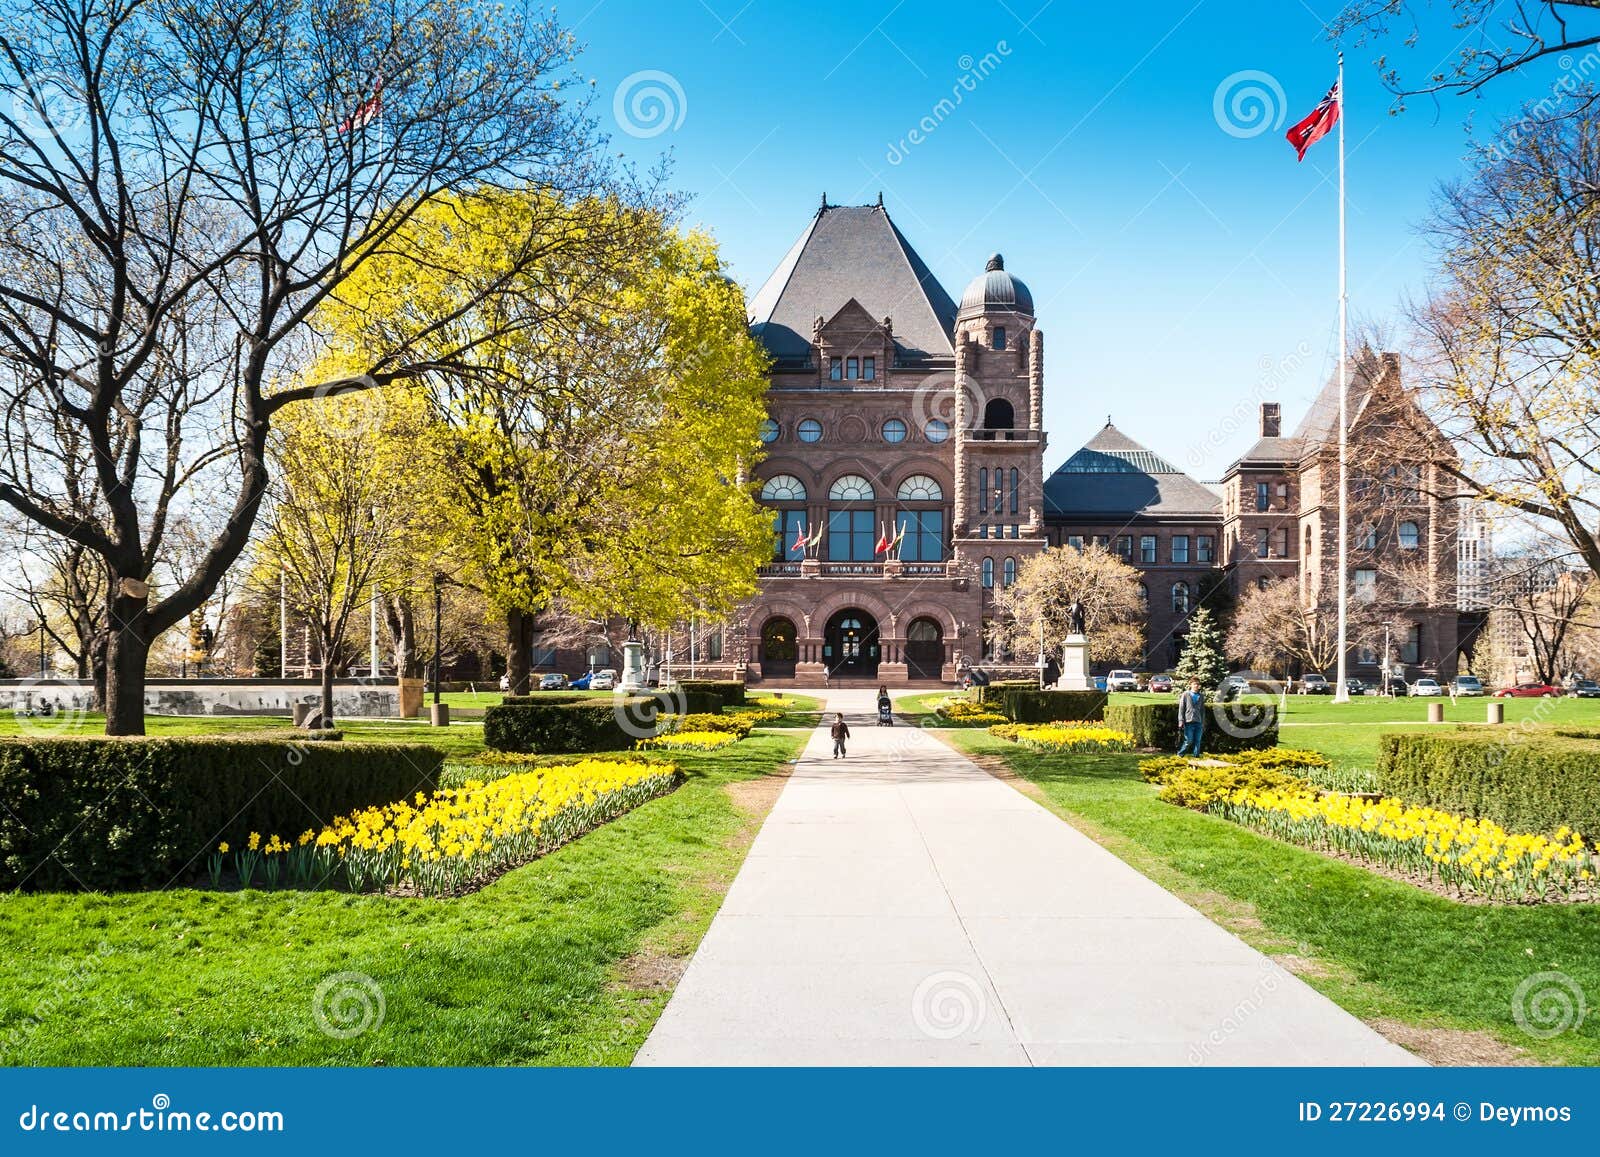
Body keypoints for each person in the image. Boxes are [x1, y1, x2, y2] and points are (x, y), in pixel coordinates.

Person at [1176, 677, 1205, 757]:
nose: (1196, 686)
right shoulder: (1186, 694)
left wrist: (1203, 722)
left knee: (1197, 741)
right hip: (1188, 721)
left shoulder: (1201, 696)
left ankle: (1196, 756)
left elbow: (1202, 710)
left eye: (1198, 684)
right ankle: (1180, 754)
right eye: (1194, 684)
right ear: (1191, 685)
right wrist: (1180, 720)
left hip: (1198, 722)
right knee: (1188, 740)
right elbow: (1181, 708)